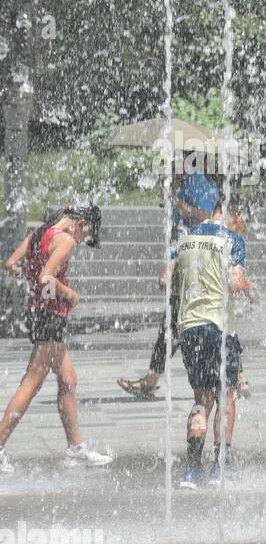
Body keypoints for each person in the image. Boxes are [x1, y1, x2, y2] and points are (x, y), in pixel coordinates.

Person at [0, 205, 113, 472]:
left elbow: (10, 265)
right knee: (32, 382)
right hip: (50, 316)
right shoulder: (65, 240)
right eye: (86, 233)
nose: (82, 239)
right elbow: (46, 278)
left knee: (68, 379)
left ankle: (76, 448)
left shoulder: (39, 234)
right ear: (81, 223)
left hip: (39, 314)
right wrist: (68, 294)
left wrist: (31, 278)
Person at [118, 177, 253, 400]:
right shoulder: (185, 183)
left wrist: (175, 200)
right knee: (214, 322)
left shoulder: (198, 182)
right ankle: (237, 377)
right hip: (194, 258)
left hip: (201, 258)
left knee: (188, 323)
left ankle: (235, 377)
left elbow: (204, 217)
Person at [175, 197, 256, 488]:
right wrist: (249, 287)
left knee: (201, 401)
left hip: (189, 328)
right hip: (219, 329)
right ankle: (219, 468)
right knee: (226, 396)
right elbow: (235, 283)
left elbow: (165, 279)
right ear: (228, 213)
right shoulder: (231, 240)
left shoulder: (185, 240)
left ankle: (192, 470)